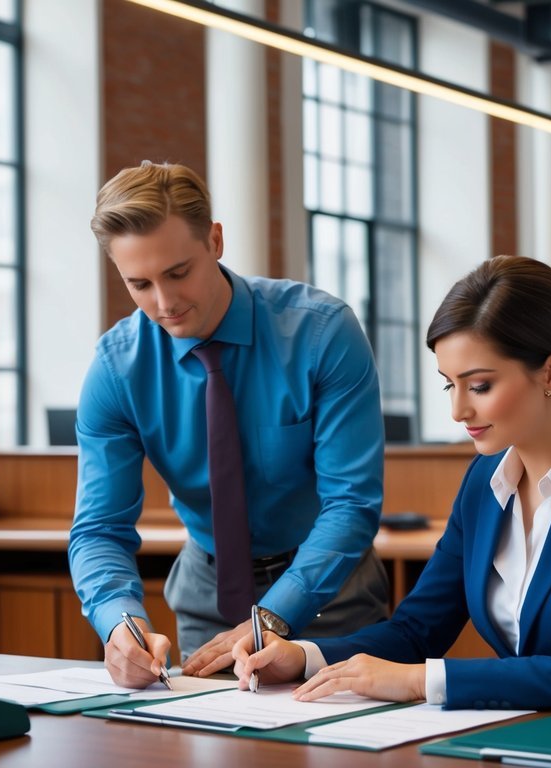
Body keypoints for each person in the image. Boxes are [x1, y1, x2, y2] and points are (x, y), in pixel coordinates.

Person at [233, 255, 551, 710]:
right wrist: (305, 657)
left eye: (478, 386)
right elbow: (417, 630)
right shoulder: (485, 481)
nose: (458, 411)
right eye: (448, 385)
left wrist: (425, 681)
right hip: (515, 738)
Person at [69, 161, 390, 688]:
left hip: (331, 594)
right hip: (208, 595)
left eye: (177, 273)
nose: (165, 303)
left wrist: (273, 616)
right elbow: (99, 529)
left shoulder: (322, 333)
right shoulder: (116, 369)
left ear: (215, 241)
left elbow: (351, 503)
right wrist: (119, 624)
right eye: (140, 284)